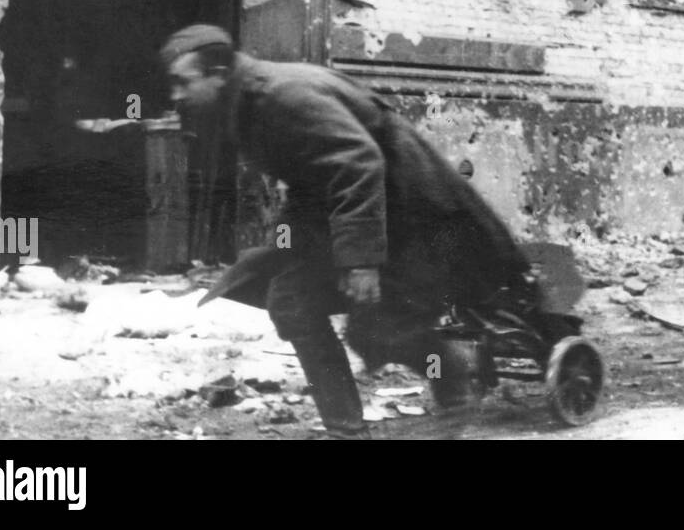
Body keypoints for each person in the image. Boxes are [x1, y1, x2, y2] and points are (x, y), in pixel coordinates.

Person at [160, 24, 530, 438]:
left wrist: (360, 263)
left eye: (182, 82)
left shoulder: (280, 96)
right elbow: (310, 181)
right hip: (365, 212)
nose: (176, 96)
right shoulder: (246, 107)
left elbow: (358, 164)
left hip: (414, 210)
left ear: (219, 71)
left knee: (378, 331)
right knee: (291, 302)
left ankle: (450, 372)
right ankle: (347, 431)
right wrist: (283, 245)